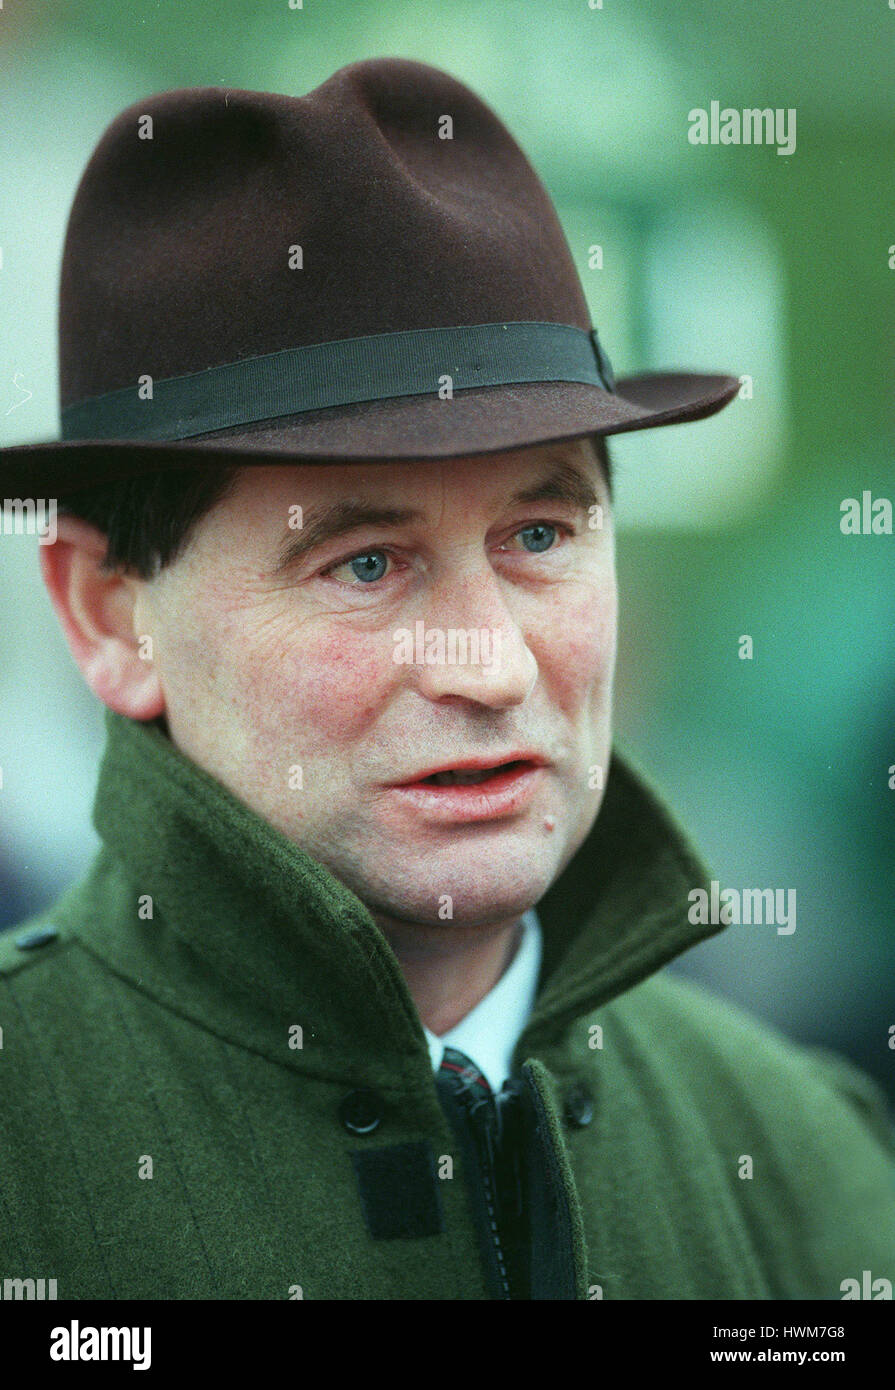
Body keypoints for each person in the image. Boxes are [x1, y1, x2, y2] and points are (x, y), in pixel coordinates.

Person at [1, 57, 892, 1301]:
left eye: (540, 537)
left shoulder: (795, 1159)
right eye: (365, 563)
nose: (491, 663)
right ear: (108, 614)